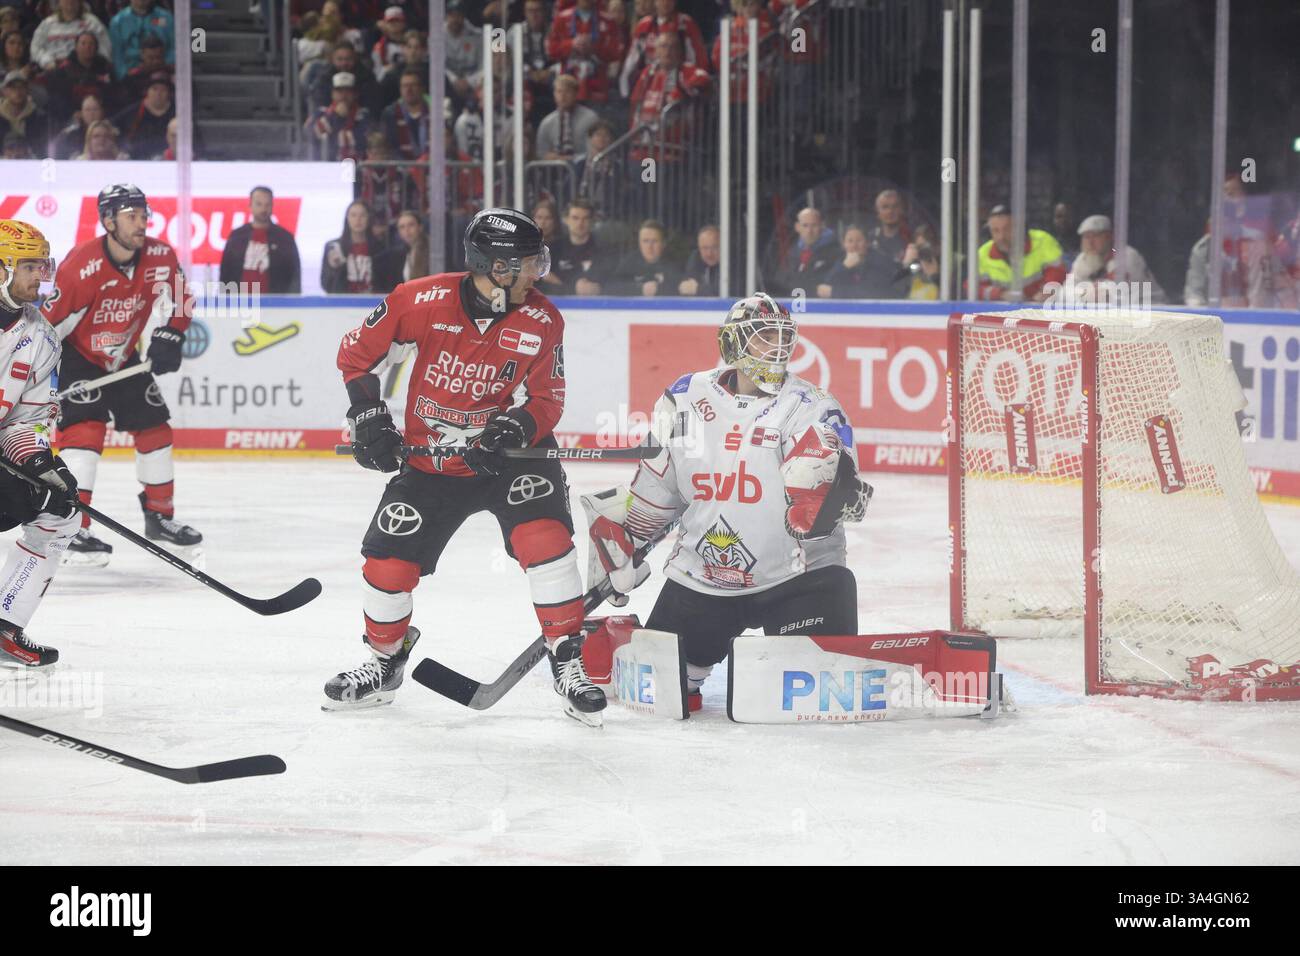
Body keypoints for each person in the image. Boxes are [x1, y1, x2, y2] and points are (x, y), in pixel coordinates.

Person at [324, 207, 606, 726]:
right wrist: (368, 417)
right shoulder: (417, 300)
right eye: (523, 264)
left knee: (544, 542)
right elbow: (355, 356)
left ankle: (567, 659)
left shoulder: (543, 319)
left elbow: (546, 401)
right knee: (386, 567)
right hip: (433, 464)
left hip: (512, 460)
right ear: (493, 267)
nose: (534, 274)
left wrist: (508, 430)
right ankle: (384, 663)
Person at [586, 293, 870, 711]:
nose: (777, 347)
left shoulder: (811, 406)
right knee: (662, 696)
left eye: (782, 336)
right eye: (763, 336)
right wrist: (628, 544)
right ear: (732, 344)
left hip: (797, 579)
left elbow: (828, 490)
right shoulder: (683, 397)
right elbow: (660, 486)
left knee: (810, 700)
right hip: (703, 578)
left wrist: (826, 487)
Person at [40, 184, 202, 567]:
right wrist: (35, 377)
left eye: (144, 214)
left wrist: (172, 333)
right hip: (79, 358)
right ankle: (72, 525)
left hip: (126, 358)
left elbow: (183, 299)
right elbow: (48, 327)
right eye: (132, 215)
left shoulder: (161, 255)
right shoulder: (81, 265)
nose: (142, 222)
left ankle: (159, 516)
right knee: (85, 435)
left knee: (156, 429)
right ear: (109, 220)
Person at [0, 219, 80, 670]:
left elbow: (27, 419)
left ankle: (4, 625)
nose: (40, 275)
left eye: (41, 264)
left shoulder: (42, 338)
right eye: (28, 265)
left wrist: (37, 461)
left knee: (62, 510)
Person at [1065, 213, 1167, 304]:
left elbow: (1114, 294)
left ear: (1109, 237)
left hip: (1153, 310)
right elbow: (1066, 291)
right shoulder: (1083, 258)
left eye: (1095, 236)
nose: (1090, 242)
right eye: (1086, 237)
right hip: (1118, 314)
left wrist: (1085, 292)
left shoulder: (1127, 256)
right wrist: (1084, 293)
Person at [219, 186, 302, 294]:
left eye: (267, 204)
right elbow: (226, 273)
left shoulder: (284, 238)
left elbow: (294, 276)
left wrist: (291, 305)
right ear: (250, 206)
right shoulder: (237, 237)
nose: (263, 209)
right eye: (259, 204)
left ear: (272, 206)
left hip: (275, 306)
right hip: (240, 304)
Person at [976, 204, 1065, 302]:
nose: (1001, 237)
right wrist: (1000, 294)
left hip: (1040, 309)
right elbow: (973, 288)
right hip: (1002, 312)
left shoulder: (1043, 241)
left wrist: (1047, 292)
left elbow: (1058, 272)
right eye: (995, 231)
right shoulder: (983, 253)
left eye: (1007, 229)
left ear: (1020, 228)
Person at [767, 206, 837, 296]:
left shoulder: (834, 253)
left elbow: (824, 283)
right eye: (805, 225)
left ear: (822, 226)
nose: (809, 230)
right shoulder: (788, 252)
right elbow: (779, 281)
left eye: (814, 225)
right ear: (797, 227)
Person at [548, 198, 611, 295]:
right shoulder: (553, 249)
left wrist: (560, 283)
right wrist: (572, 289)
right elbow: (544, 284)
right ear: (566, 220)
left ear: (592, 221)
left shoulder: (602, 250)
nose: (580, 223)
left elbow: (603, 283)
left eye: (585, 218)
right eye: (575, 218)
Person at [321, 200, 384, 294]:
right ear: (347, 219)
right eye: (353, 215)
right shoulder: (333, 247)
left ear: (369, 219)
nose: (358, 220)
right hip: (344, 304)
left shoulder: (380, 248)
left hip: (373, 304)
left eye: (362, 215)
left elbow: (385, 284)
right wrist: (334, 269)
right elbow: (326, 284)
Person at [30, 0, 111, 71]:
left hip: (85, 71)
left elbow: (105, 47)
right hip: (53, 68)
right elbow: (35, 48)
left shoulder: (92, 22)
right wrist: (46, 61)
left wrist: (93, 63)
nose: (70, 1)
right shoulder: (47, 24)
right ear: (59, 2)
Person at [110, 70, 172, 159]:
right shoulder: (133, 111)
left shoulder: (176, 111)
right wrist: (121, 146)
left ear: (169, 93)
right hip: (136, 160)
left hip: (169, 161)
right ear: (147, 91)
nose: (158, 93)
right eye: (154, 89)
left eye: (163, 90)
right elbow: (111, 126)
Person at [535, 74, 599, 161]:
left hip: (584, 169)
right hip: (554, 171)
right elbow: (541, 152)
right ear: (554, 94)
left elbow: (596, 148)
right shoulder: (547, 123)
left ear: (576, 94)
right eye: (559, 91)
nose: (563, 96)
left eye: (567, 92)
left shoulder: (590, 118)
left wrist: (573, 159)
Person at [612, 219, 682, 296]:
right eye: (645, 241)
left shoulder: (673, 263)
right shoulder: (630, 261)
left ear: (663, 243)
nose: (649, 246)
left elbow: (681, 288)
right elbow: (612, 287)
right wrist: (640, 288)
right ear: (639, 243)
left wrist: (659, 289)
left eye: (654, 241)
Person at [107, 0, 173, 81]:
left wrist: (168, 67)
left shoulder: (166, 18)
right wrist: (124, 77)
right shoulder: (117, 22)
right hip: (131, 72)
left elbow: (173, 48)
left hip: (161, 70)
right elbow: (117, 55)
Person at [374, 209, 430, 292]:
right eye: (402, 227)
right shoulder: (398, 255)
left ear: (420, 227)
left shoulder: (432, 251)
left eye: (411, 225)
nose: (407, 230)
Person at [678, 223, 720, 296]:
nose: (709, 253)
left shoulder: (732, 265)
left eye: (714, 247)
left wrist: (698, 289)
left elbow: (724, 291)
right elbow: (687, 285)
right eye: (704, 248)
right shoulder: (696, 258)